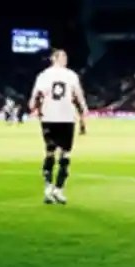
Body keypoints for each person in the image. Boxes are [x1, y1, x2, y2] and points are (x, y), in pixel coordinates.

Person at [29, 49, 88, 204]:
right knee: (63, 155)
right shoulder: (71, 75)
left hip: (50, 118)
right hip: (65, 118)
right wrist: (83, 116)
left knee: (51, 153)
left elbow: (34, 98)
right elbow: (80, 97)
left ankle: (51, 189)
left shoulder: (43, 75)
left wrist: (35, 108)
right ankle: (56, 190)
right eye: (63, 56)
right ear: (54, 58)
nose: (65, 59)